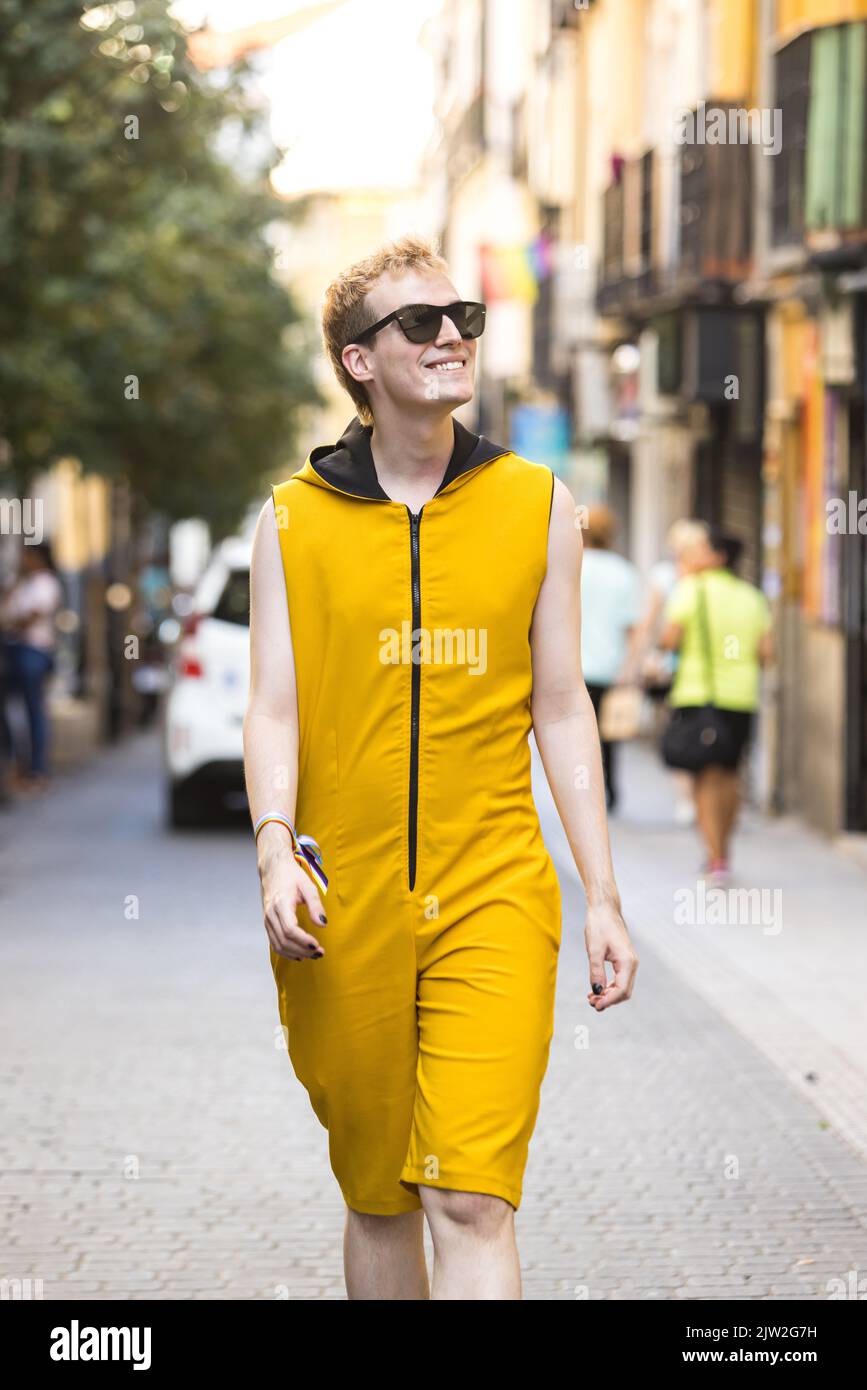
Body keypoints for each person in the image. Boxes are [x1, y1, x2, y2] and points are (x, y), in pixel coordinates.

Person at [243, 235, 638, 1301]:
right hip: (343, 900)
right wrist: (276, 851)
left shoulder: (539, 505)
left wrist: (601, 893)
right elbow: (273, 708)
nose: (454, 333)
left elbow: (561, 709)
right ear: (359, 361)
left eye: (461, 313)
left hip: (494, 887)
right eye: (422, 321)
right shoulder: (293, 520)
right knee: (379, 1196)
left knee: (469, 1196)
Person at [658, 527, 774, 884]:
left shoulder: (691, 590)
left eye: (703, 548)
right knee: (730, 773)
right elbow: (766, 654)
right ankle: (723, 852)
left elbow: (669, 640)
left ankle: (715, 858)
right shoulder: (752, 597)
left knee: (705, 778)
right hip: (741, 698)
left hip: (701, 695)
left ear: (718, 556)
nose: (696, 554)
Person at [626, 518, 710, 825]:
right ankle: (693, 797)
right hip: (690, 664)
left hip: (675, 662)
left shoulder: (669, 576)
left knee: (681, 730)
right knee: (693, 729)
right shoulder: (703, 578)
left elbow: (647, 623)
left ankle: (687, 799)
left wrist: (636, 662)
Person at [578, 504, 641, 813]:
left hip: (573, 668)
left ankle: (581, 789)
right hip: (610, 667)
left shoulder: (569, 565)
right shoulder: (624, 572)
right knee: (609, 737)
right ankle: (611, 791)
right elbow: (633, 628)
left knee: (578, 735)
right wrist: (629, 667)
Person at [0, 541, 64, 793]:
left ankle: (38, 767)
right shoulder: (22, 584)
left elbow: (30, 617)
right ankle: (17, 764)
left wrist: (11, 623)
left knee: (33, 708)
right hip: (13, 649)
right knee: (12, 710)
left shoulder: (46, 583)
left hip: (33, 650)